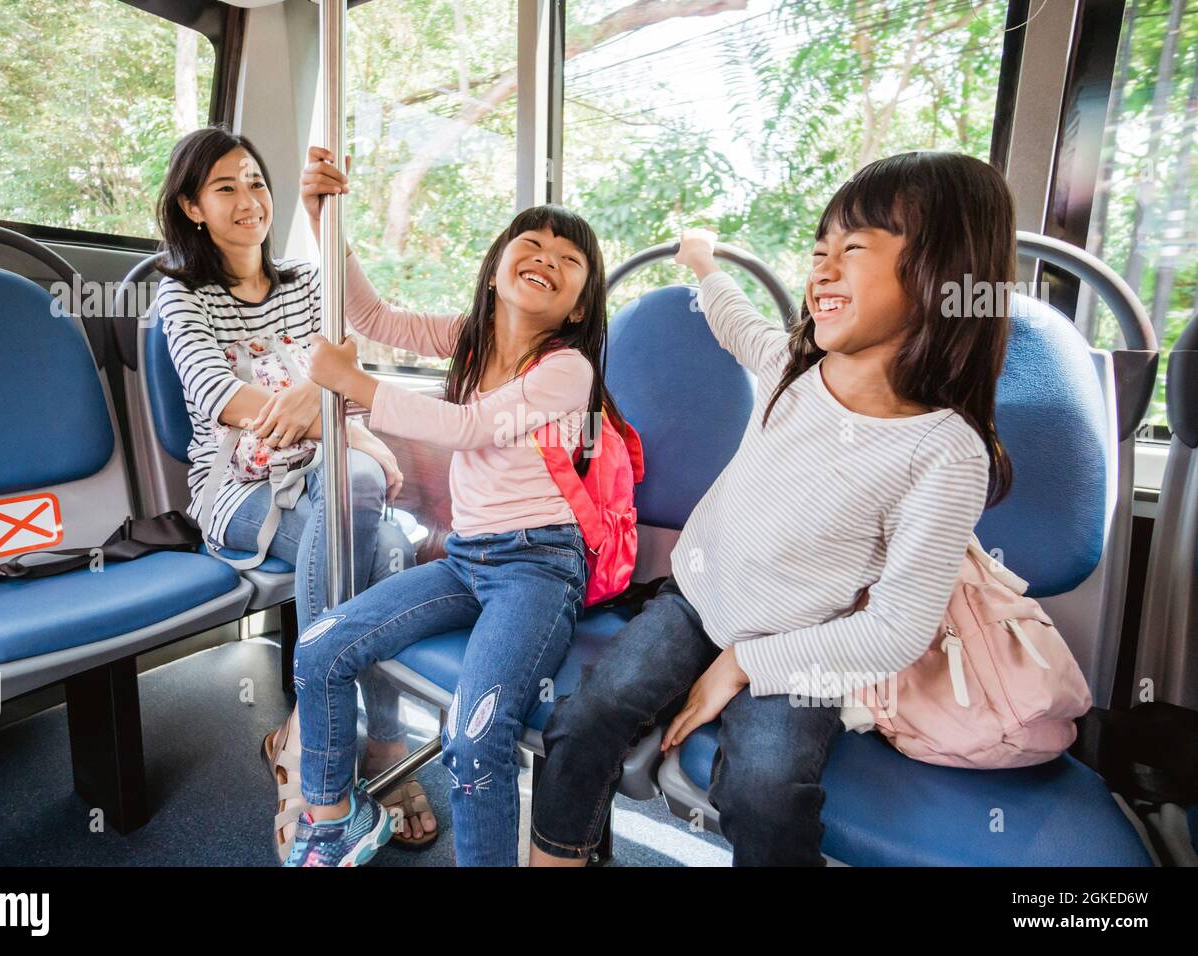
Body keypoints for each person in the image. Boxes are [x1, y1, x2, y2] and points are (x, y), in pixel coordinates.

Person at [529, 151, 1015, 866]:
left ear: (944, 275)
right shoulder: (795, 368)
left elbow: (893, 633)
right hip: (696, 603)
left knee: (765, 789)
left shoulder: (945, 452)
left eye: (853, 250)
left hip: (804, 645)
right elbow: (734, 321)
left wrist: (743, 665)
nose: (821, 269)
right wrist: (702, 262)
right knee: (586, 717)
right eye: (820, 250)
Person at [282, 148, 626, 867]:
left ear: (581, 302)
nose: (545, 255)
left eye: (568, 257)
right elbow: (371, 314)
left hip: (537, 569)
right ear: (496, 265)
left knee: (474, 735)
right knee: (318, 649)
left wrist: (359, 386)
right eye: (529, 243)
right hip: (468, 559)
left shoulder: (567, 370)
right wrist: (323, 222)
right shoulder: (467, 340)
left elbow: (472, 428)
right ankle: (333, 818)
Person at [153, 126, 437, 856]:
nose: (249, 199)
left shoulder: (309, 286)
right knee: (373, 527)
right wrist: (319, 402)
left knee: (372, 527)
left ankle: (310, 756)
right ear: (192, 207)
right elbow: (223, 396)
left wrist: (340, 412)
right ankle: (372, 754)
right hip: (237, 488)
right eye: (225, 187)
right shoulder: (179, 295)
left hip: (325, 478)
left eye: (255, 180)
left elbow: (351, 380)